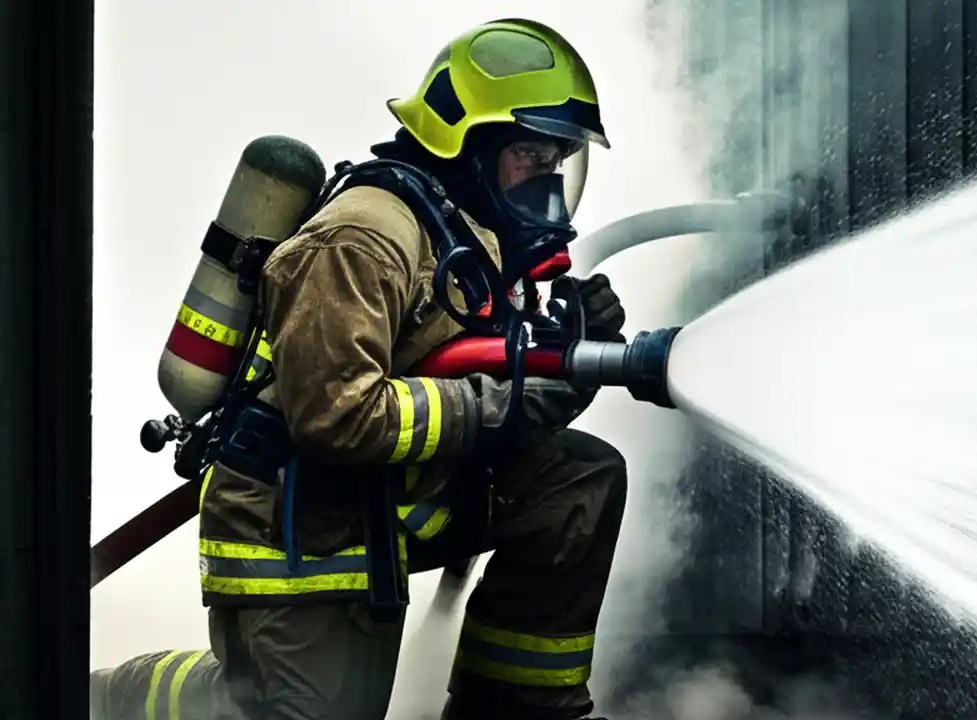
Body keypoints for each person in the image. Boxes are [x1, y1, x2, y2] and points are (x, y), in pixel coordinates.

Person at [90, 17, 628, 720]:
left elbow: (500, 398)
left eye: (557, 160)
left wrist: (566, 365)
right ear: (468, 139)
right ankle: (100, 696)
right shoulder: (363, 238)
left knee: (576, 482)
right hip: (296, 522)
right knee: (289, 711)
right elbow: (337, 416)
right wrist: (507, 400)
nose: (547, 181)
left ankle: (517, 708)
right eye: (531, 155)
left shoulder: (468, 233)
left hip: (392, 497)